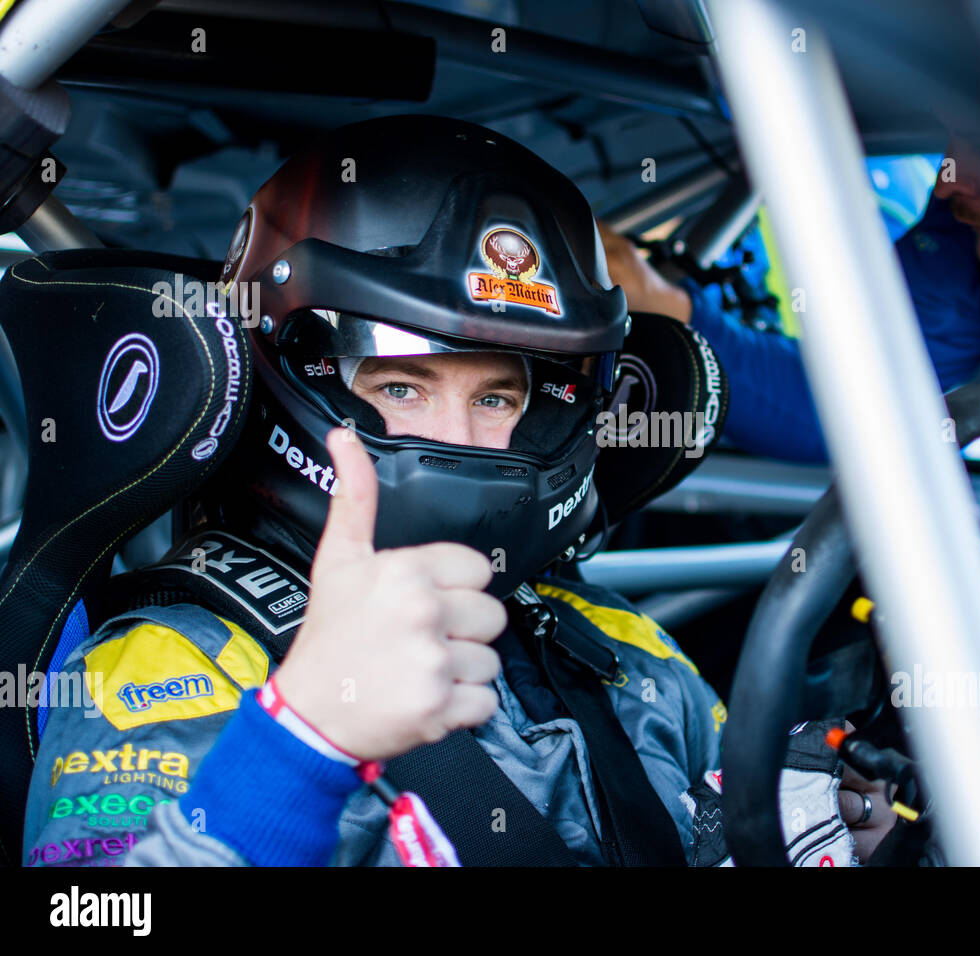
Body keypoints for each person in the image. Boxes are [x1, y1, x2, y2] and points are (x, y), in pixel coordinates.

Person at [22, 114, 894, 868]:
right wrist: (303, 741)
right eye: (401, 389)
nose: (460, 440)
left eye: (497, 398)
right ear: (291, 378)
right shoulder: (175, 668)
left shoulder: (626, 653)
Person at [600, 133, 980, 640]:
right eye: (949, 135)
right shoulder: (978, 246)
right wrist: (672, 310)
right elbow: (850, 405)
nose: (947, 181)